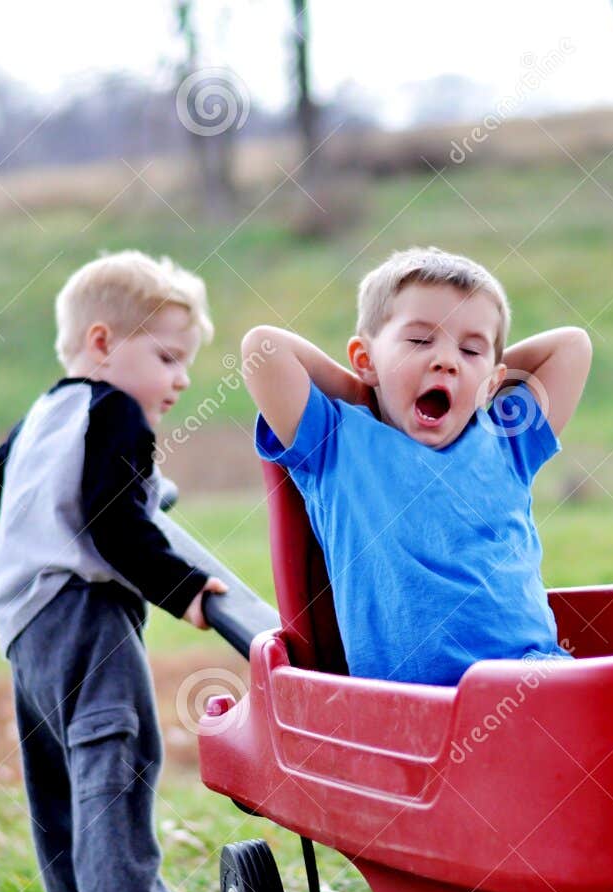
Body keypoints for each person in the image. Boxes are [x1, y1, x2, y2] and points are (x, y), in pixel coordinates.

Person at [0, 250, 228, 892]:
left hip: (25, 622)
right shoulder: (117, 413)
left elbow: (3, 493)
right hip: (86, 610)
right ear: (102, 342)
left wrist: (138, 489)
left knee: (60, 764)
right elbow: (112, 522)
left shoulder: (42, 414)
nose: (182, 378)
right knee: (115, 748)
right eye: (167, 356)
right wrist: (181, 586)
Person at [241, 246, 591, 686]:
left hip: (534, 681)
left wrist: (480, 386)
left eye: (469, 348)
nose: (445, 359)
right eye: (421, 341)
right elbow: (264, 348)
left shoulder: (505, 439)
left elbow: (572, 347)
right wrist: (368, 388)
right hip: (412, 705)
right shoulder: (338, 442)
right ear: (365, 359)